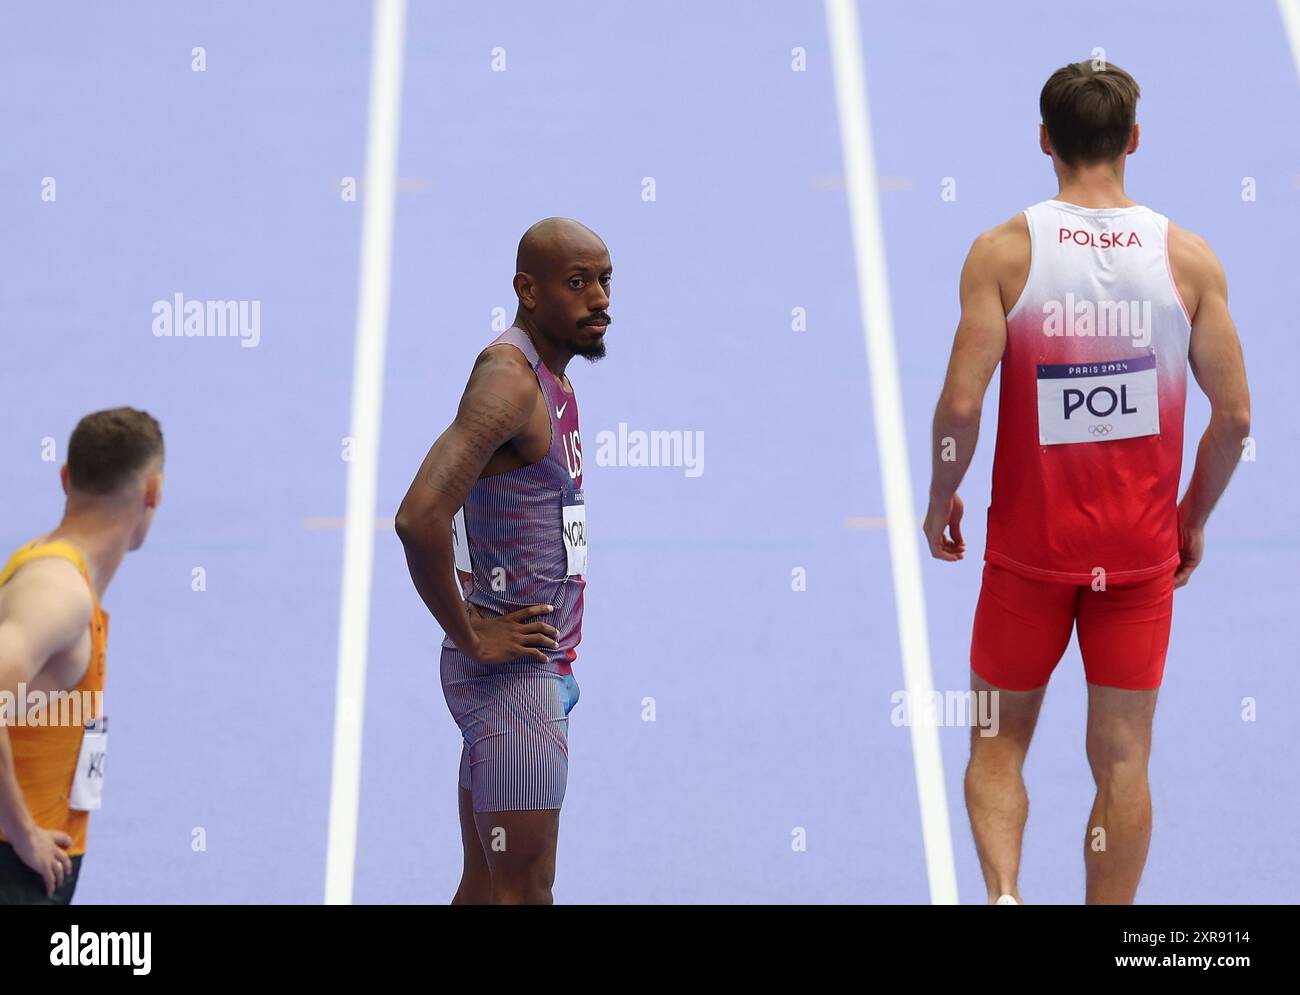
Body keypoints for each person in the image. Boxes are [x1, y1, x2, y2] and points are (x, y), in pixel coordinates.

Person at [923, 60, 1251, 904]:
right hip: (1137, 556)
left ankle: (1002, 894)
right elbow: (1237, 418)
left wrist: (941, 494)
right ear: (1133, 141)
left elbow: (962, 403)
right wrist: (1191, 516)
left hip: (1030, 551)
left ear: (1045, 142)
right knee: (1123, 755)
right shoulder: (1188, 259)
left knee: (997, 743)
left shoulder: (1004, 253)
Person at [395, 217, 610, 904]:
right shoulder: (510, 384)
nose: (599, 298)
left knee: (489, 885)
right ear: (527, 288)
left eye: (605, 280)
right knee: (523, 888)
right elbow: (418, 517)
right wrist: (472, 633)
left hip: (525, 667)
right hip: (514, 676)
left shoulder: (545, 376)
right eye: (578, 283)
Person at [0, 407, 165, 903]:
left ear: (66, 477)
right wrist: (23, 830)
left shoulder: (60, 576)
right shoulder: (57, 591)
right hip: (15, 860)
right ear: (153, 491)